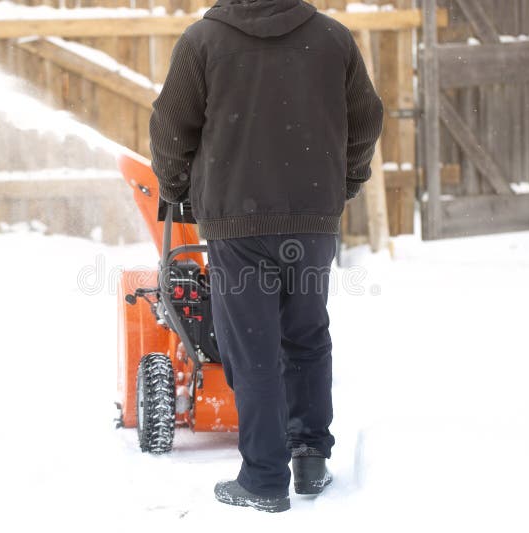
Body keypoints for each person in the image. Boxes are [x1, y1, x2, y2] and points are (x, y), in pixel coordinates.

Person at [149, 0, 383, 513]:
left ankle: (264, 478)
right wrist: (344, 183)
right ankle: (310, 456)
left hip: (238, 222)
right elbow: (367, 118)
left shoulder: (202, 42)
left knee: (252, 348)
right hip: (311, 220)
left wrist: (176, 187)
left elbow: (170, 126)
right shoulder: (332, 39)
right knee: (306, 335)